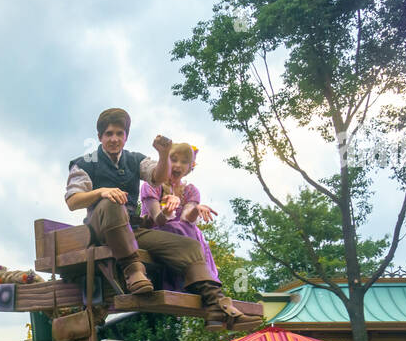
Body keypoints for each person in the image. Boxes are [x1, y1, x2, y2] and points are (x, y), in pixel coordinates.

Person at [63, 108, 260, 329]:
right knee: (112, 201)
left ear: (126, 136)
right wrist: (102, 192)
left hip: (130, 230)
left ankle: (215, 306)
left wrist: (164, 154)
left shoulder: (134, 159)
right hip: (100, 231)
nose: (114, 139)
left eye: (119, 133)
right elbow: (72, 200)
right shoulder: (86, 162)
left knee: (190, 246)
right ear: (100, 137)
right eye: (109, 134)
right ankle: (133, 270)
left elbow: (158, 177)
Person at [138, 141, 220, 291]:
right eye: (174, 160)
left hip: (184, 234)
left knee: (189, 229)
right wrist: (167, 211)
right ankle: (193, 284)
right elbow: (157, 219)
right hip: (155, 233)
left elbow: (186, 218)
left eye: (184, 162)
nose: (178, 165)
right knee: (180, 229)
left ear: (190, 167)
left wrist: (196, 209)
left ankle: (197, 282)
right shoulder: (152, 186)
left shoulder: (190, 190)